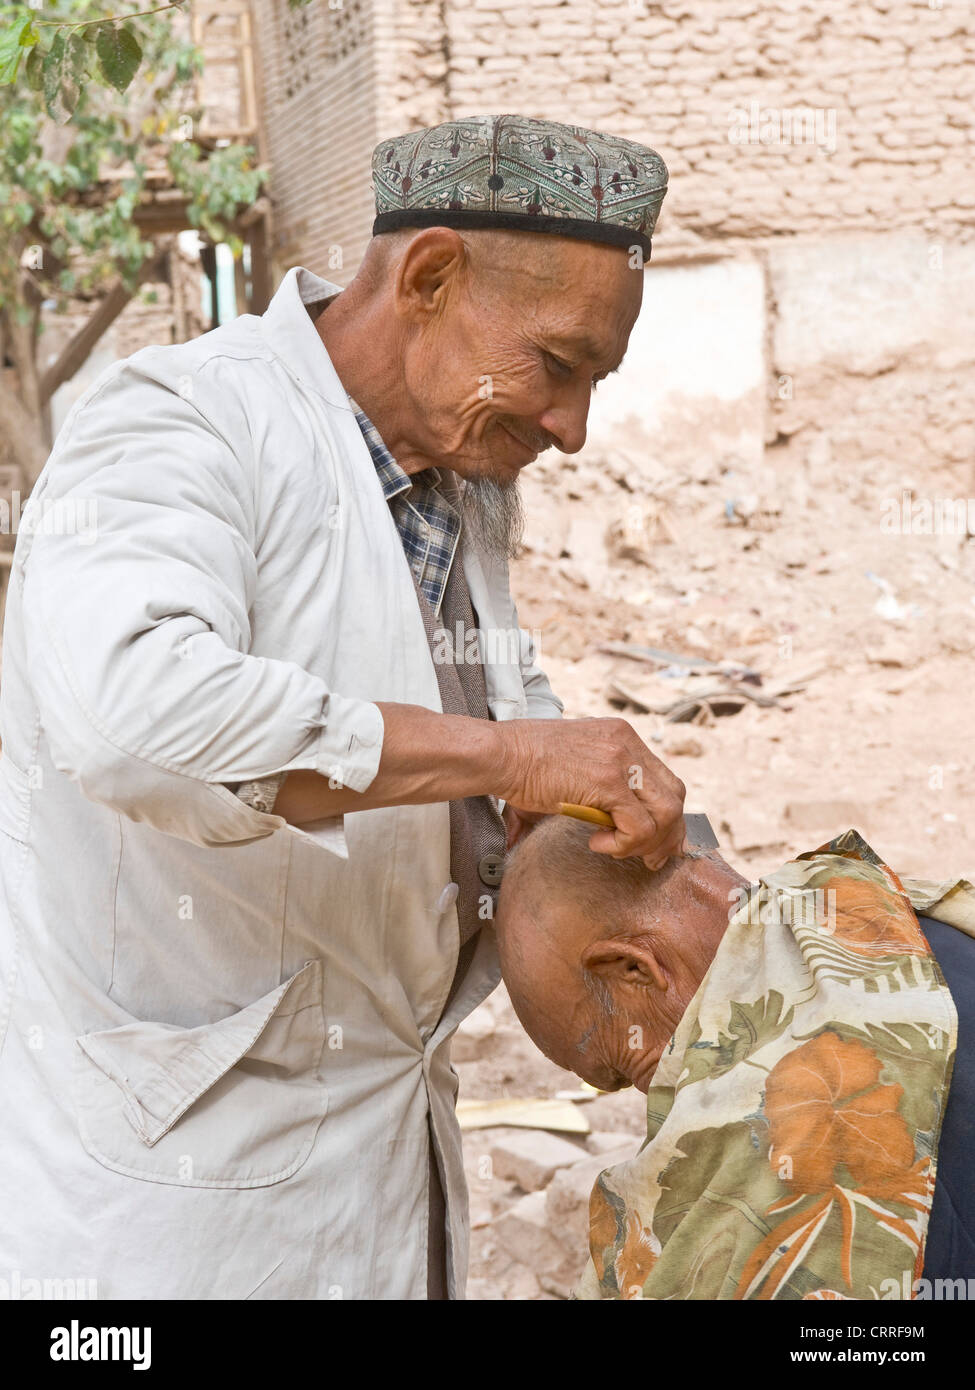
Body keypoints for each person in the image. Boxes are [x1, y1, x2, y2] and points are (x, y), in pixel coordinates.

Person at [0, 114, 685, 1301]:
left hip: (379, 1182)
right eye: (558, 367)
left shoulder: (450, 493)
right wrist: (514, 756)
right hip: (173, 1230)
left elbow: (498, 786)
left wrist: (636, 904)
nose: (574, 429)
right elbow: (132, 716)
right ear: (428, 278)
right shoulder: (179, 423)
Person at [496, 817, 975, 1299]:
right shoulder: (910, 916)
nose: (644, 1095)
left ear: (634, 969)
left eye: (620, 1069)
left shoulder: (767, 1126)